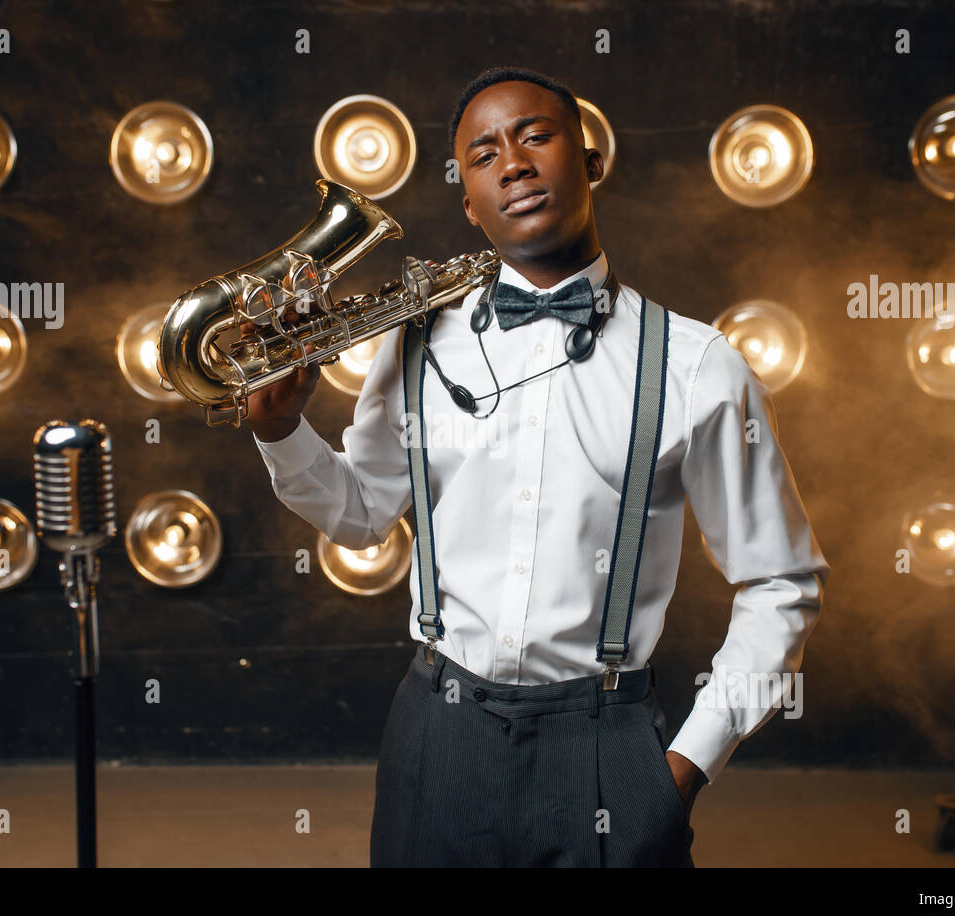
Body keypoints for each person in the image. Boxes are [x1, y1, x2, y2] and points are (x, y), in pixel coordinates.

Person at [247, 65, 830, 867]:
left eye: (535, 137)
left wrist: (683, 768)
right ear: (468, 200)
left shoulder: (699, 365)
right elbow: (363, 513)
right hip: (436, 732)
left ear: (590, 161)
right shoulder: (413, 341)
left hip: (609, 743)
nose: (512, 164)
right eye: (483, 154)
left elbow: (780, 583)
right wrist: (283, 432)